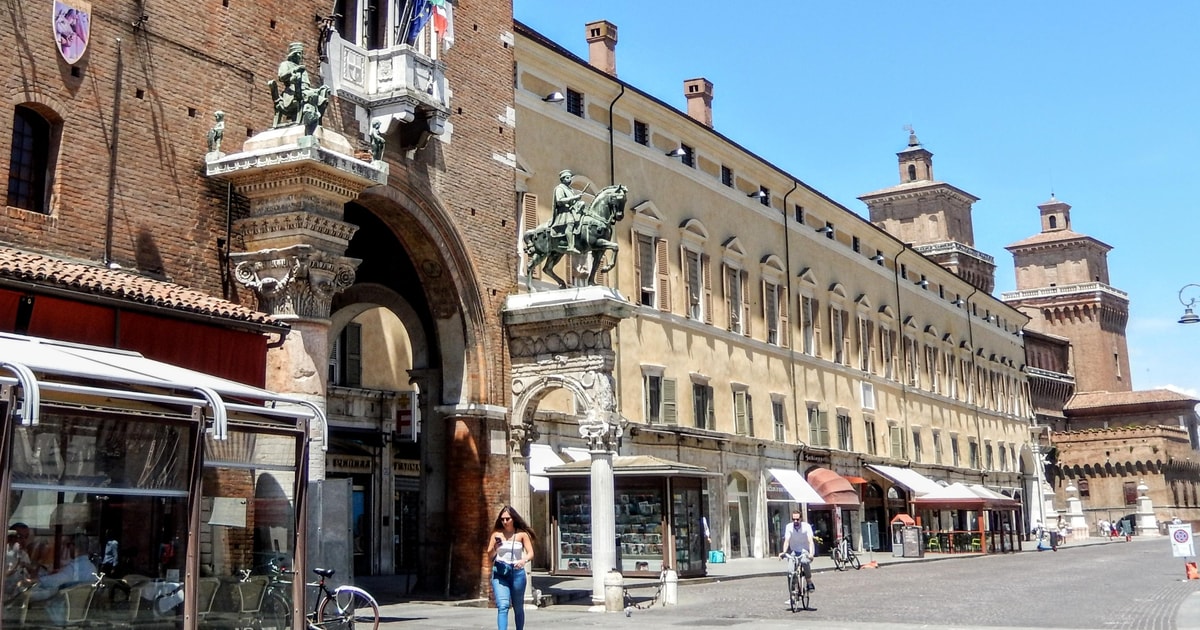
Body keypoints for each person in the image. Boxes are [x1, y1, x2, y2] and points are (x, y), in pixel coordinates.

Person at [24, 534, 97, 625]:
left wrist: (37, 580)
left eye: (68, 545)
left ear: (73, 546)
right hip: (79, 614)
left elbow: (56, 581)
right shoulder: (92, 568)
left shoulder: (74, 568)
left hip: (60, 613)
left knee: (27, 601)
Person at [486, 506, 534, 630]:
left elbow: (530, 553)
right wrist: (495, 548)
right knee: (503, 606)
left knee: (518, 607)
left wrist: (524, 560)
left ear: (513, 519)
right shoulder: (496, 534)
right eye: (502, 519)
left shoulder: (522, 534)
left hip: (517, 573)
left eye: (507, 519)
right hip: (500, 573)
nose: (505, 522)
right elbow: (490, 554)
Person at [778, 510, 816, 595]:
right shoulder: (789, 527)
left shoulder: (806, 527)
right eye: (793, 519)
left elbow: (810, 541)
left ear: (801, 519)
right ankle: (792, 594)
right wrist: (784, 552)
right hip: (794, 551)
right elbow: (787, 541)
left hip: (804, 550)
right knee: (790, 571)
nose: (795, 521)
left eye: (797, 519)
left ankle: (809, 581)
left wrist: (811, 554)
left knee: (804, 561)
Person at [551, 170, 585, 254]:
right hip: (564, 212)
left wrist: (579, 201)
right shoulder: (559, 188)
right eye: (567, 178)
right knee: (570, 224)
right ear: (562, 179)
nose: (569, 179)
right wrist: (574, 198)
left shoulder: (570, 190)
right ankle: (570, 246)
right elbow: (560, 200)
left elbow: (573, 202)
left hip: (571, 211)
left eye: (570, 177)